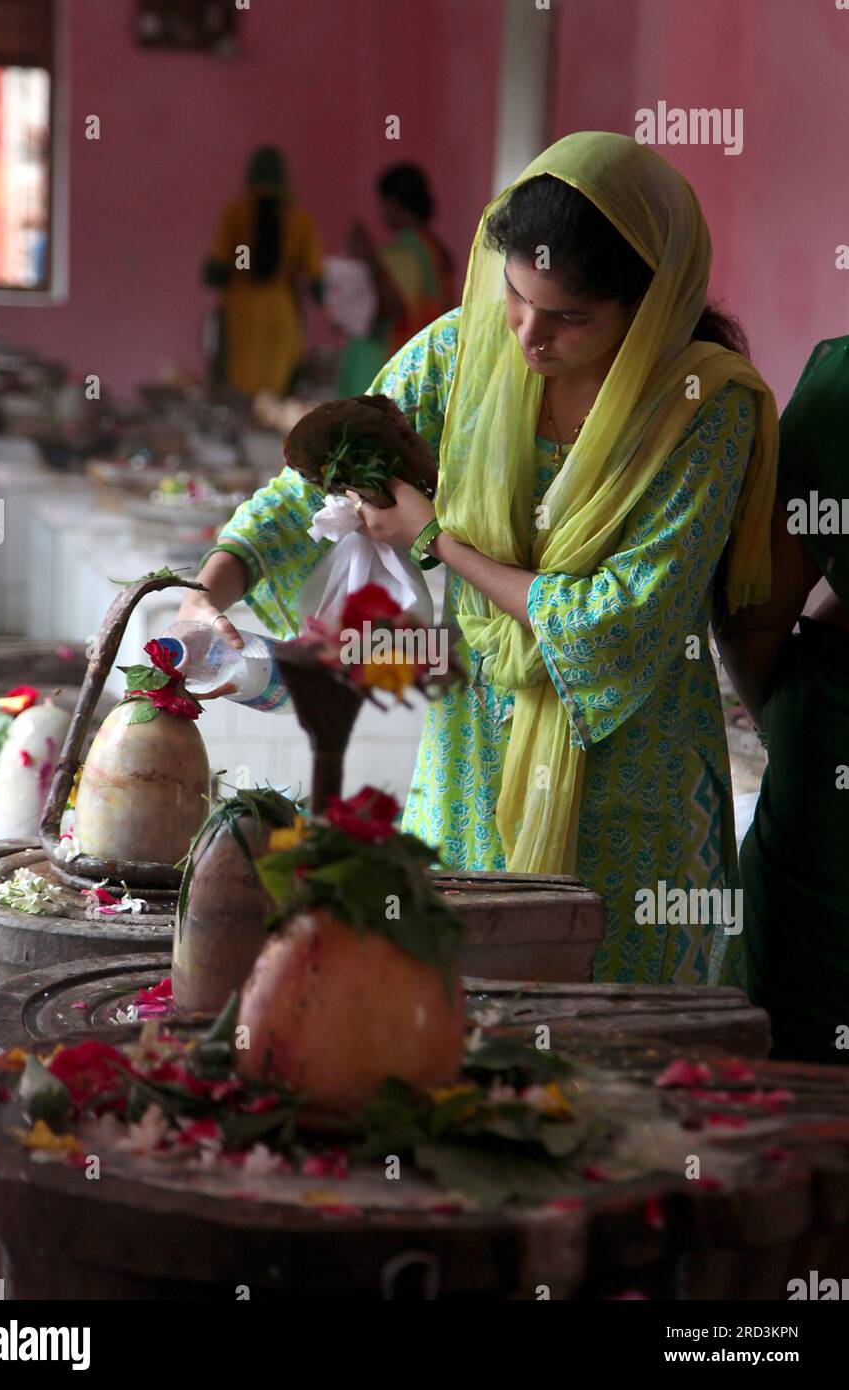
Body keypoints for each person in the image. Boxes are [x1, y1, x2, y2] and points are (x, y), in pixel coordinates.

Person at [179, 132, 779, 986]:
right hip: (470, 764)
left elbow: (613, 623)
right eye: (515, 296)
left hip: (629, 787)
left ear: (646, 309)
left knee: (616, 1051)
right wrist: (210, 590)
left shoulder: (701, 410)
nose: (529, 336)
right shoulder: (464, 354)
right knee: (463, 1019)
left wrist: (438, 542)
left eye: (569, 318)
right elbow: (323, 480)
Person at [716, 339, 849, 1062]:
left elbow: (753, 614)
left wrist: (782, 729)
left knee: (811, 1067)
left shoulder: (838, 390)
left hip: (831, 771)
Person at [203, 146, 323, 396]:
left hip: (241, 312)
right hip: (282, 314)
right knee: (274, 399)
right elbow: (317, 282)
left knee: (238, 394)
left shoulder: (236, 213)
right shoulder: (300, 220)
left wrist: (238, 264)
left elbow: (216, 272)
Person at [336, 163, 454, 396]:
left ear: (392, 204)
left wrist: (368, 258)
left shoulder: (402, 252)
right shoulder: (435, 249)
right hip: (430, 362)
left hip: (394, 360)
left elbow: (394, 306)